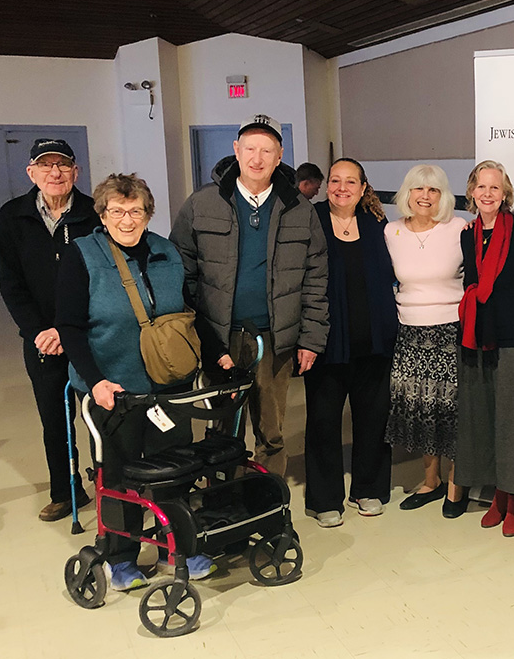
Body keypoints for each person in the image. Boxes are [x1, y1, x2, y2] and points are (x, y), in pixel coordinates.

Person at [54, 173, 212, 591]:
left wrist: (219, 354)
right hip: (114, 389)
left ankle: (176, 548)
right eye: (117, 211)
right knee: (119, 473)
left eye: (136, 211)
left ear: (148, 213)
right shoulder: (82, 255)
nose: (127, 220)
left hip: (167, 386)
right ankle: (121, 558)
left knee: (174, 469)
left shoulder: (166, 252)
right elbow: (69, 327)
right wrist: (96, 382)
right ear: (102, 215)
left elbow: (188, 310)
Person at [170, 114, 329, 474]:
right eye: (251, 149)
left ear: (279, 156)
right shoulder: (201, 204)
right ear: (236, 151)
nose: (258, 158)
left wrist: (311, 339)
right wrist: (201, 338)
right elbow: (181, 273)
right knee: (221, 426)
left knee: (271, 430)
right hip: (219, 336)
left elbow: (317, 277)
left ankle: (267, 500)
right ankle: (223, 499)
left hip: (276, 340)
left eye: (267, 151)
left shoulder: (299, 210)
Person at [0, 138, 98, 521]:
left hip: (89, 332)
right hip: (42, 340)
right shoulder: (12, 216)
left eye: (63, 165)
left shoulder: (93, 213)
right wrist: (39, 330)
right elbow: (11, 282)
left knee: (101, 414)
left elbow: (103, 277)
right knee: (54, 418)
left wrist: (72, 327)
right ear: (31, 173)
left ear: (76, 171)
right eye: (46, 165)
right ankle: (66, 491)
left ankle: (109, 486)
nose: (55, 173)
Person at [303, 158, 399, 528]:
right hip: (327, 342)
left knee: (374, 419)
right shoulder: (311, 220)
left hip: (374, 342)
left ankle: (368, 487)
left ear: (363, 188)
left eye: (351, 182)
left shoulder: (376, 224)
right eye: (335, 181)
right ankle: (325, 498)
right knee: (324, 422)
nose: (342, 188)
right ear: (327, 186)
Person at [454, 160, 514, 537]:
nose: (487, 194)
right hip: (478, 336)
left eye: (495, 187)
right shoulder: (467, 234)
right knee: (486, 418)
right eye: (481, 187)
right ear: (472, 192)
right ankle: (498, 494)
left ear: (504, 194)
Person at [384, 165, 468, 517]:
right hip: (410, 332)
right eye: (418, 189)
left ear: (443, 195)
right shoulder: (391, 232)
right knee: (420, 410)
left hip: (452, 330)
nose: (425, 196)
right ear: (406, 193)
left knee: (451, 411)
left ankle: (456, 484)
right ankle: (430, 481)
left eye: (433, 190)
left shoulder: (459, 228)